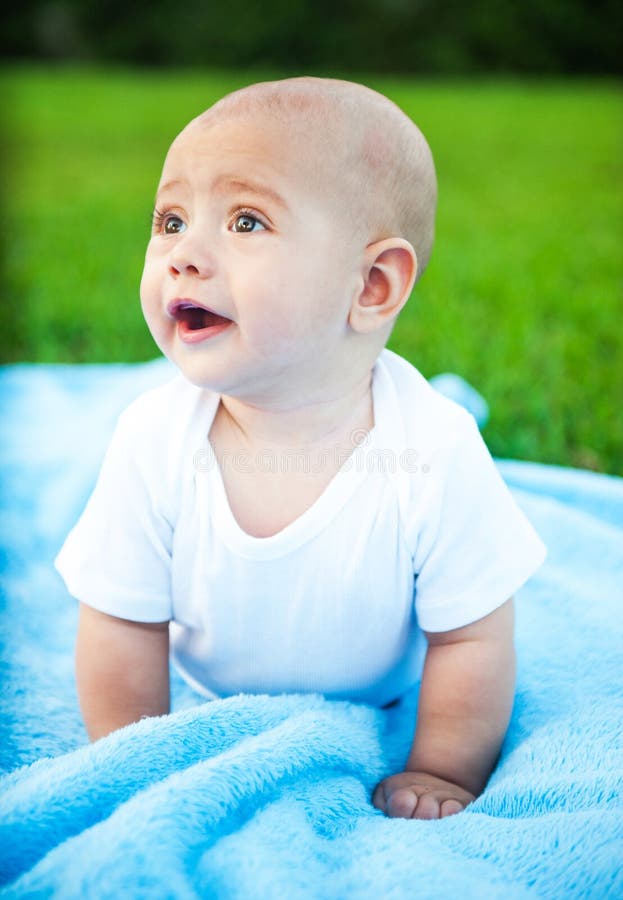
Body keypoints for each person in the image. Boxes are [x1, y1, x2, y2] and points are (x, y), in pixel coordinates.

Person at [55, 76, 546, 820]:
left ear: (373, 284)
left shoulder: (432, 448)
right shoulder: (152, 439)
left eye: (246, 221)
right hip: (205, 689)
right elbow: (121, 620)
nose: (184, 254)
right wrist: (133, 756)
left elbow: (472, 635)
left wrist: (443, 769)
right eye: (170, 219)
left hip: (381, 690)